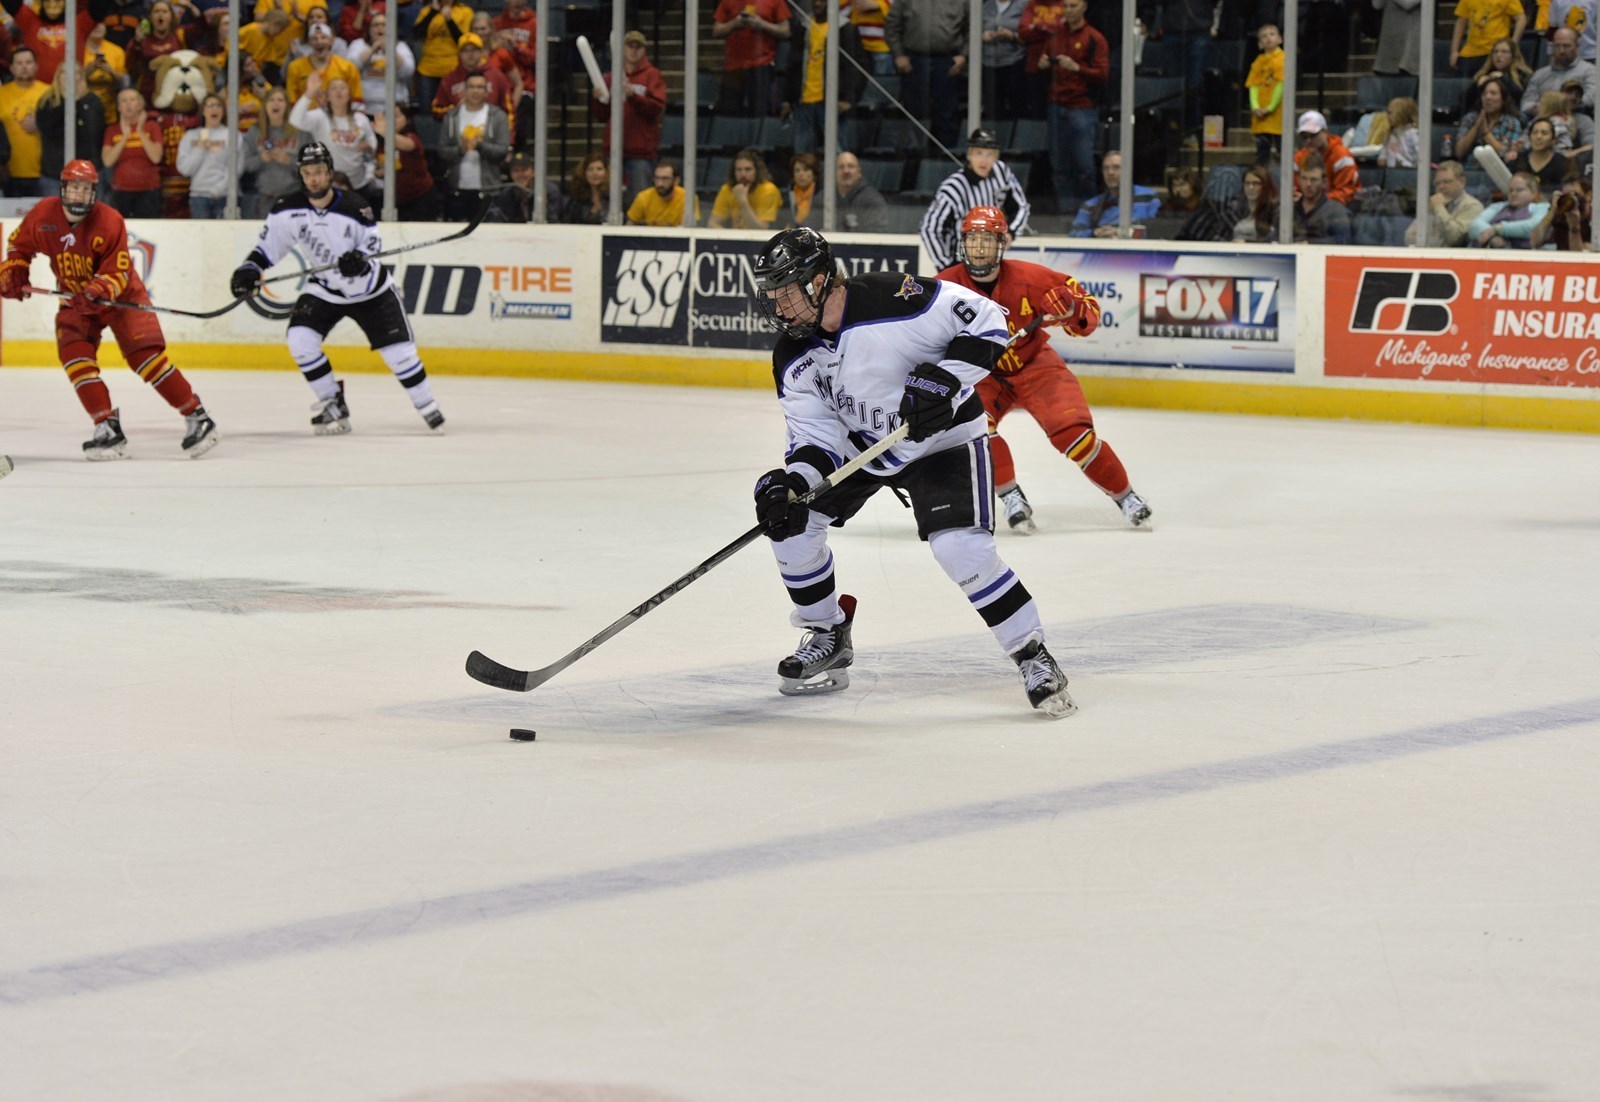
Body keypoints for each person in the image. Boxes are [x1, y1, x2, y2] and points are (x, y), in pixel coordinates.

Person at [750, 225, 1077, 718]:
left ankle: (1032, 653)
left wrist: (945, 379)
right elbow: (817, 439)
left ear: (819, 282)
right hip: (867, 446)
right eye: (771, 296)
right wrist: (794, 483)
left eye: (787, 294)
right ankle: (826, 631)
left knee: (959, 547)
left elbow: (988, 318)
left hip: (941, 438)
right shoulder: (792, 354)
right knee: (793, 523)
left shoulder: (894, 298)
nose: (778, 308)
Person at [937, 204, 1151, 537]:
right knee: (976, 431)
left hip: (1035, 364)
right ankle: (1010, 496)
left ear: (1003, 244)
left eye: (988, 240)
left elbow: (1088, 312)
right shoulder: (944, 287)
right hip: (983, 373)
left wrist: (1071, 308)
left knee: (1073, 434)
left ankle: (1126, 497)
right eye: (973, 240)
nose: (979, 249)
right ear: (962, 243)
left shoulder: (1031, 278)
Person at [0, 160, 218, 460]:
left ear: (94, 192)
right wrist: (14, 271)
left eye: (86, 188)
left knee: (146, 359)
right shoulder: (43, 215)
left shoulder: (109, 220)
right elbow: (17, 245)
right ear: (63, 189)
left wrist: (95, 291)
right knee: (76, 360)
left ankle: (197, 416)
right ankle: (106, 427)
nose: (79, 194)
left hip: (120, 300)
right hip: (75, 301)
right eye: (74, 187)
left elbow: (117, 272)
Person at [229, 142, 445, 435]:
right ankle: (332, 403)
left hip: (372, 291)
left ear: (329, 172)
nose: (314, 178)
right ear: (301, 174)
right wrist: (248, 270)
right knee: (300, 339)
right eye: (308, 172)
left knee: (400, 355)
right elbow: (267, 249)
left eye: (319, 171)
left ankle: (427, 406)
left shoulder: (355, 206)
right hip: (326, 289)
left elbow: (371, 246)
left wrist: (359, 260)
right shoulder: (286, 209)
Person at [1022, 0, 1106, 214]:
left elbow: (1103, 74)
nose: (1069, 11)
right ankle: (1067, 214)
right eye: (1066, 6)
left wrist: (1077, 68)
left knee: (1084, 166)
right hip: (1056, 104)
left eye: (1074, 6)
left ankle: (1089, 215)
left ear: (1084, 7)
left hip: (1082, 107)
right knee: (1059, 167)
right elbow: (1045, 63)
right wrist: (1043, 65)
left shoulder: (1095, 38)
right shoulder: (1056, 35)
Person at [920, 128, 1031, 269]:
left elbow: (1021, 206)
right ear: (970, 154)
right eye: (979, 153)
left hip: (993, 261)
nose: (984, 160)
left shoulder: (1002, 172)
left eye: (990, 154)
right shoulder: (953, 188)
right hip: (961, 263)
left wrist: (1011, 233)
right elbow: (929, 228)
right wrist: (947, 266)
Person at [782, 0, 866, 155]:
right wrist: (788, 98)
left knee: (838, 153)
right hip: (804, 100)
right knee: (802, 155)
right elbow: (792, 65)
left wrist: (849, 98)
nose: (818, 4)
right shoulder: (803, 26)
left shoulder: (845, 28)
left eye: (822, 1)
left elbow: (854, 67)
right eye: (815, 1)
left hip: (832, 102)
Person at [593, 30, 667, 202]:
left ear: (644, 50)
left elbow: (656, 108)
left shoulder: (652, 75)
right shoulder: (611, 77)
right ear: (623, 49)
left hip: (640, 152)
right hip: (613, 149)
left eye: (638, 47)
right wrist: (598, 100)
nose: (634, 51)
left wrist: (633, 96)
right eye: (630, 46)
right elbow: (601, 116)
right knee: (609, 198)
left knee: (640, 200)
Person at [886, 0, 969, 152]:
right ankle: (914, 163)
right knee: (915, 114)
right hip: (914, 61)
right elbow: (892, 27)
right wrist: (899, 55)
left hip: (948, 61)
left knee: (947, 115)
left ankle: (946, 161)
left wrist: (964, 55)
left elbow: (973, 28)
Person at [289, 72, 377, 197]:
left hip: (358, 183)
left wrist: (368, 147)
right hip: (329, 183)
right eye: (333, 89)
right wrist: (309, 93)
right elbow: (295, 120)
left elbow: (373, 143)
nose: (338, 91)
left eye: (342, 88)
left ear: (349, 95)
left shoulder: (360, 118)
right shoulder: (319, 117)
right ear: (328, 96)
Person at [437, 70, 509, 220]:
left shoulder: (498, 116)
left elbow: (502, 150)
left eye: (480, 87)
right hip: (457, 189)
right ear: (464, 89)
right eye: (471, 87)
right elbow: (442, 151)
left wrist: (480, 146)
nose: (475, 91)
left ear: (486, 90)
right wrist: (461, 149)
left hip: (488, 190)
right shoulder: (451, 117)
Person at [36, 63, 106, 198]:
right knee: (55, 216)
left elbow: (94, 133)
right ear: (58, 76)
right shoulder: (48, 101)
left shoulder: (92, 101)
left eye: (75, 73)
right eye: (64, 72)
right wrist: (70, 101)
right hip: (55, 172)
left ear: (81, 77)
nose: (70, 77)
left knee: (92, 216)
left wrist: (79, 101)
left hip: (88, 172)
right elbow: (49, 131)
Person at [713, 0, 791, 117]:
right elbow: (716, 30)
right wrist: (734, 23)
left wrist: (762, 24)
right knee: (728, 115)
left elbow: (785, 31)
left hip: (761, 67)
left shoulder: (775, 1)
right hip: (733, 68)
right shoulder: (727, 1)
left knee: (760, 114)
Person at [102, 86, 165, 216]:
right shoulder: (112, 130)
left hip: (149, 189)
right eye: (124, 101)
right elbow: (107, 161)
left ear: (140, 104)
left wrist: (140, 132)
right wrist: (125, 136)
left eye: (132, 100)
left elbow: (156, 157)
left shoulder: (152, 127)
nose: (128, 104)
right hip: (121, 190)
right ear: (119, 107)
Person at [1068, 149, 1160, 237]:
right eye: (1106, 168)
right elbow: (1073, 234)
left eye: (1116, 167)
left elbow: (1158, 230)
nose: (1110, 172)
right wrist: (1095, 233)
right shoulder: (1091, 205)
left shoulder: (1148, 197)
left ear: (1128, 170)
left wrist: (1121, 233)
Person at [245, 86, 302, 217]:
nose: (276, 103)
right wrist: (261, 159)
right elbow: (245, 165)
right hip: (264, 198)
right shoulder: (254, 132)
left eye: (280, 100)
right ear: (265, 105)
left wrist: (289, 161)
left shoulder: (299, 133)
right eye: (271, 100)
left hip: (292, 196)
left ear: (287, 106)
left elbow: (309, 166)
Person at [176, 92, 235, 217]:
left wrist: (217, 191)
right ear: (203, 111)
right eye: (210, 105)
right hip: (198, 197)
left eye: (218, 106)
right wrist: (200, 149)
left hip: (224, 196)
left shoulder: (232, 135)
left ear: (223, 111)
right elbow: (185, 169)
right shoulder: (190, 136)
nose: (214, 109)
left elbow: (236, 168)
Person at [0, 47, 47, 197]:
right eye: (19, 63)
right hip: (8, 174)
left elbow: (60, 129)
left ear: (36, 66)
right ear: (12, 68)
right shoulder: (2, 94)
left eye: (28, 62)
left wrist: (40, 125)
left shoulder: (49, 93)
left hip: (44, 173)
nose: (24, 67)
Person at [1404, 158, 1484, 245]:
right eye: (1437, 183)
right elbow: (1409, 237)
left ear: (1462, 181)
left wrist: (1439, 208)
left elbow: (1454, 239)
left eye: (1447, 182)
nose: (1441, 187)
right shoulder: (1432, 205)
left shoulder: (1473, 206)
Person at [285, 21, 362, 105]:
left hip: (337, 116)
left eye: (323, 37)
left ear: (331, 41)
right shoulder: (295, 67)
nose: (319, 42)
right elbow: (291, 100)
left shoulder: (347, 67)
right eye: (314, 38)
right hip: (306, 116)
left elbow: (356, 98)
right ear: (309, 42)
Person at [1522, 27, 1595, 116]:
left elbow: (1591, 98)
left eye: (1566, 46)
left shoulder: (1590, 71)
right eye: (1557, 46)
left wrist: (1558, 106)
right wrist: (1536, 108)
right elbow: (1525, 104)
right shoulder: (1540, 74)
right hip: (1543, 120)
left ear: (1577, 47)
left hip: (1576, 118)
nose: (1561, 51)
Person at [1293, 110, 1360, 205]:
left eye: (1312, 135)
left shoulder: (1342, 156)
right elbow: (1295, 189)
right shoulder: (1299, 157)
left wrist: (1316, 200)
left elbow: (1346, 193)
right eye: (1304, 137)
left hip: (1341, 210)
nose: (1308, 141)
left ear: (1325, 132)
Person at [1468, 170, 1549, 245]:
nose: (1513, 194)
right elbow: (1474, 225)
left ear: (1533, 193)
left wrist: (1498, 229)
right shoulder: (1497, 206)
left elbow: (1535, 227)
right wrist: (1493, 238)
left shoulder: (1541, 208)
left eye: (1519, 190)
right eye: (1510, 190)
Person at [708, 147, 782, 228]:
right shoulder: (727, 189)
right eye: (738, 170)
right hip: (737, 238)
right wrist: (730, 238)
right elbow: (712, 223)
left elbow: (761, 229)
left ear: (757, 171)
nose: (743, 174)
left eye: (748, 169)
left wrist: (743, 202)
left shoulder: (768, 190)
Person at [1450, 0, 1527, 79]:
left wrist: (1511, 46)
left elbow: (1521, 19)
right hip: (1469, 53)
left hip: (1494, 53)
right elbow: (1460, 22)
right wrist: (1454, 51)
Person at [1453, 77, 1523, 162]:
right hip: (1469, 168)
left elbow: (1505, 154)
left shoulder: (1512, 122)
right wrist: (1476, 127)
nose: (1488, 97)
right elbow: (1459, 152)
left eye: (1493, 93)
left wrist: (1486, 132)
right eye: (1484, 94)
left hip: (1498, 170)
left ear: (1503, 98)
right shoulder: (1470, 118)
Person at [1245, 22, 1284, 166]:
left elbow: (1281, 85)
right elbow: (1253, 86)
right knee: (1262, 153)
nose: (1268, 38)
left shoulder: (1283, 59)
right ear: (1259, 43)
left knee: (1282, 151)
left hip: (1277, 114)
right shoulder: (1257, 62)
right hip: (1260, 116)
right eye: (1264, 36)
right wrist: (1255, 107)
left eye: (1272, 34)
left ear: (1280, 39)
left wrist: (1270, 108)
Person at [1531, 165, 1592, 248]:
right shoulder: (1561, 214)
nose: (1571, 199)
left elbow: (1580, 257)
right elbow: (1534, 242)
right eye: (1566, 195)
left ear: (1588, 195)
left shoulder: (1595, 220)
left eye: (1575, 194)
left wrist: (1574, 227)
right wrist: (1551, 213)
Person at [1293, 161, 1352, 243]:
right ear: (1298, 179)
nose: (1308, 184)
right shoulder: (1290, 209)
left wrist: (1311, 244)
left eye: (1313, 179)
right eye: (1304, 178)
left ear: (1324, 182)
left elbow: (1343, 240)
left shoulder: (1335, 210)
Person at [627, 159, 698, 226]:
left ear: (676, 181)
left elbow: (691, 230)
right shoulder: (643, 197)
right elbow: (629, 225)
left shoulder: (688, 198)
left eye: (665, 179)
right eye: (657, 178)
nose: (659, 183)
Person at [835, 150, 889, 231]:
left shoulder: (873, 200)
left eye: (851, 166)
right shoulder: (824, 198)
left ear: (859, 172)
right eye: (841, 167)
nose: (846, 171)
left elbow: (877, 235)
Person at [1231, 163, 1280, 242]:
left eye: (1256, 183)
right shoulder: (1235, 209)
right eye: (1247, 183)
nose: (1251, 187)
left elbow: (1276, 238)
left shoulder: (1274, 210)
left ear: (1265, 186)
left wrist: (1247, 243)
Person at [557, 150, 608, 225]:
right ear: (584, 173)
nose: (595, 173)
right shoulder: (576, 201)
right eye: (590, 169)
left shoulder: (616, 199)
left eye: (599, 169)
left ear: (606, 172)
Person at [1517, 117, 1570, 188]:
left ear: (1553, 139)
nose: (1538, 137)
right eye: (1535, 133)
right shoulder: (1520, 159)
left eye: (1544, 133)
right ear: (1529, 137)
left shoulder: (1562, 162)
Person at [785, 151, 821, 228]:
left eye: (806, 170)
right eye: (797, 170)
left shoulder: (821, 194)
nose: (801, 174)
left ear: (814, 173)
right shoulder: (788, 196)